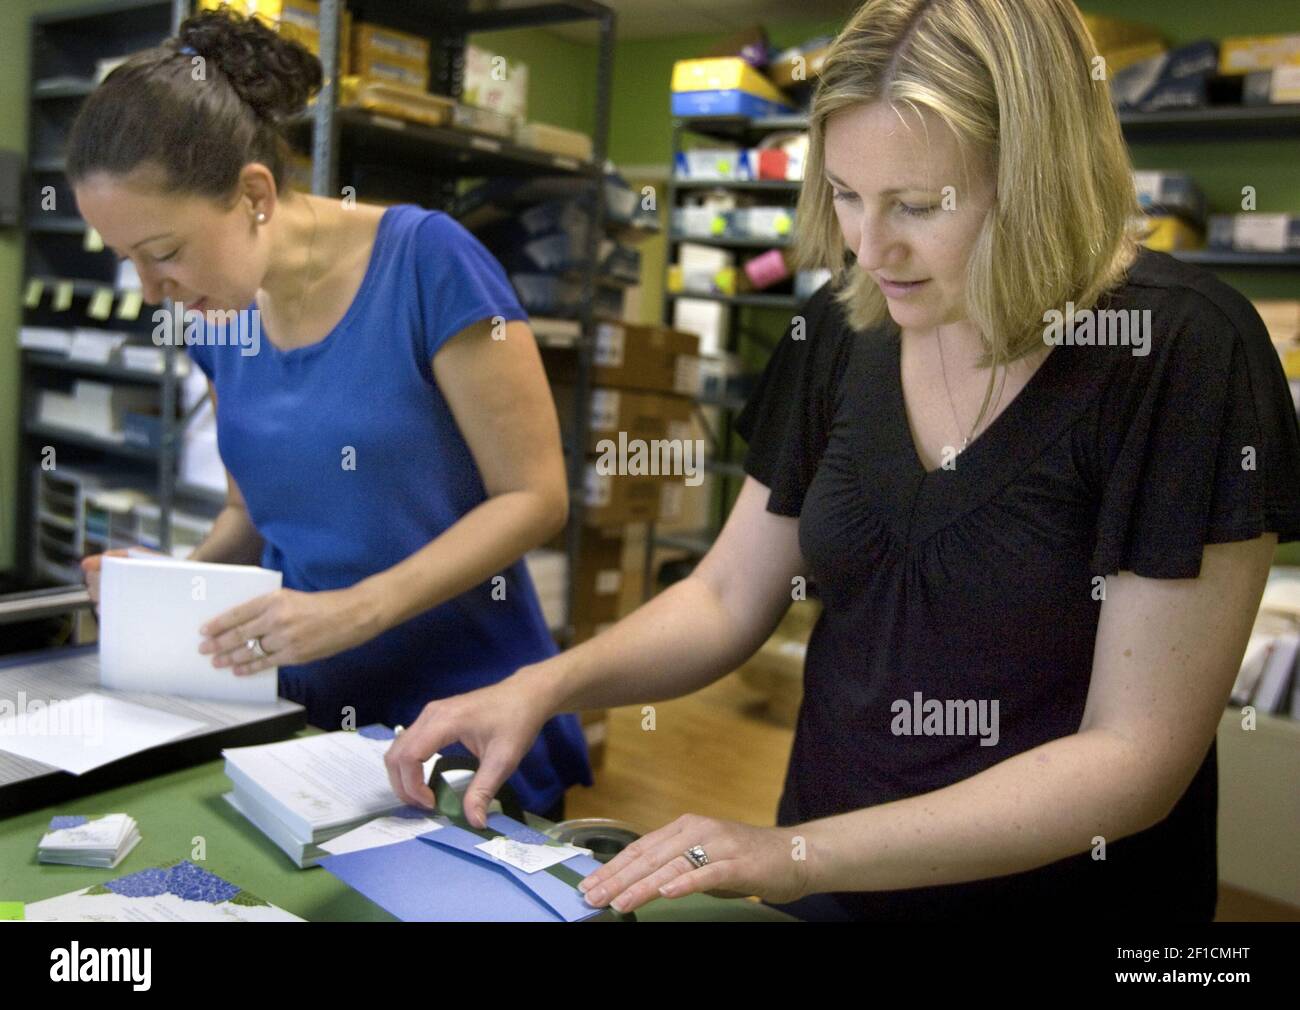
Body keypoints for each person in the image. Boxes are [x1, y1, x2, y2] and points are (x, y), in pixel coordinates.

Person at [384, 0, 1300, 920]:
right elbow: (726, 595)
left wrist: (794, 853)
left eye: (915, 206)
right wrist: (543, 685)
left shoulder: (1181, 354)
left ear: (1039, 182)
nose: (870, 246)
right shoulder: (845, 321)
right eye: (847, 195)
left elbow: (1130, 759)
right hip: (833, 888)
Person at [72, 7, 590, 822]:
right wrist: (165, 587)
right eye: (128, 259)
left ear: (253, 194)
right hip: (302, 718)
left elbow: (536, 497)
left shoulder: (428, 263)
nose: (150, 291)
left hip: (463, 714)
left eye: (164, 252)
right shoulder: (221, 316)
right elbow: (251, 510)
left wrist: (359, 607)